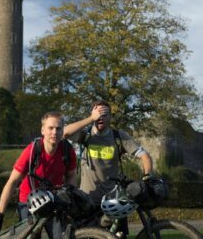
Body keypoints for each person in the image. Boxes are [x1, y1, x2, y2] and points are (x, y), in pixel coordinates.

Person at [63, 100, 153, 236]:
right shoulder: (86, 135)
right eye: (97, 113)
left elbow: (145, 156)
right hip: (88, 200)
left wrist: (147, 177)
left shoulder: (119, 137)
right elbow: (65, 133)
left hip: (113, 201)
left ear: (110, 117)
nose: (101, 117)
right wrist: (90, 119)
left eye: (105, 114)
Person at [0, 111, 77, 239]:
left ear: (62, 131)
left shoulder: (67, 150)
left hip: (53, 200)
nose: (54, 132)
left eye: (58, 128)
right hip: (28, 202)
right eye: (50, 128)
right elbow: (12, 182)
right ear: (42, 130)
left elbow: (71, 175)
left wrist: (70, 195)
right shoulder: (32, 151)